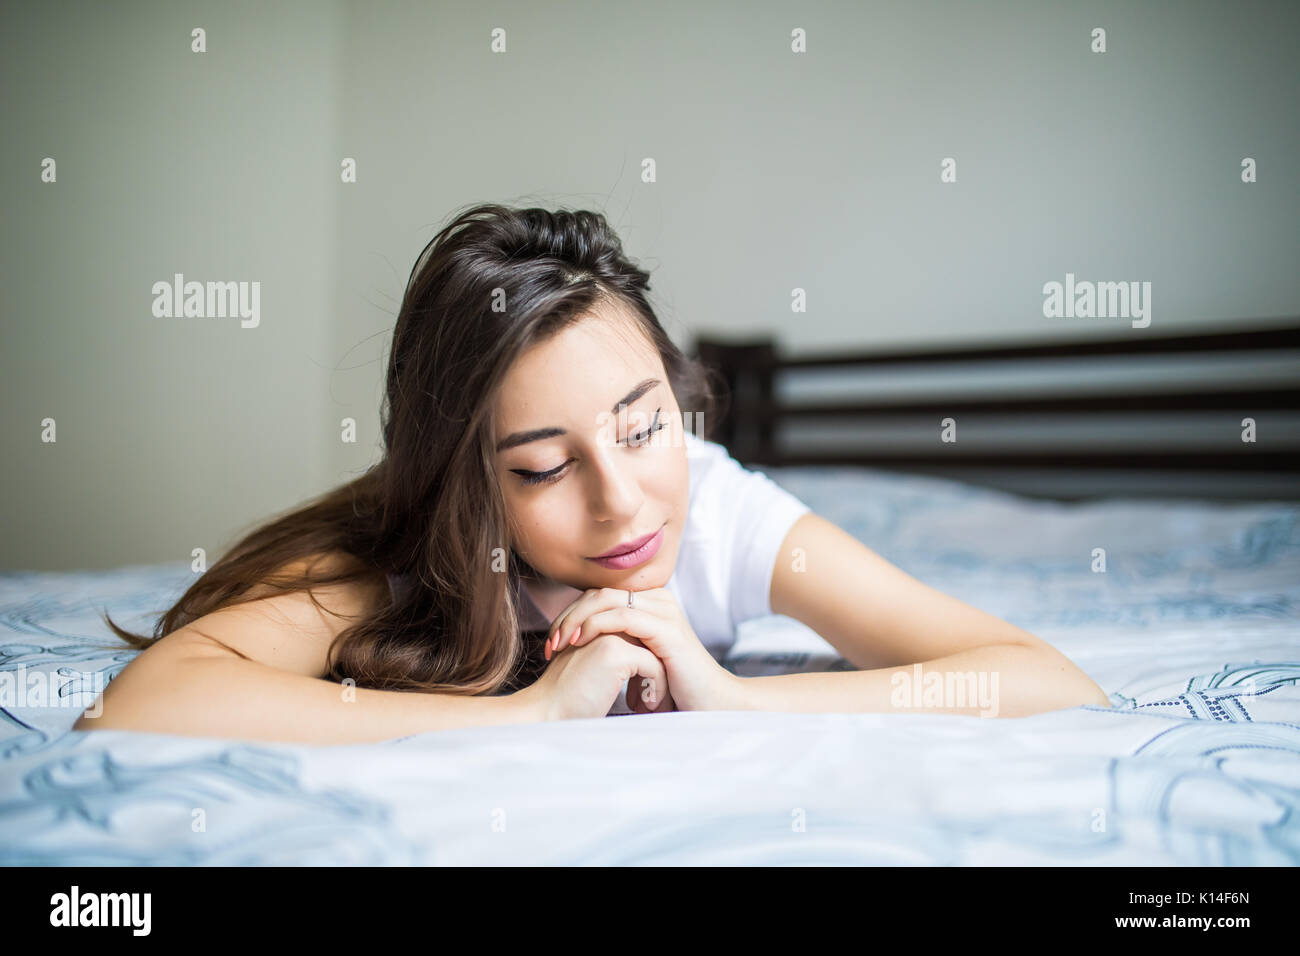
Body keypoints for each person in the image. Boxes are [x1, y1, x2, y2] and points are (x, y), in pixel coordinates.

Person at [79, 203, 1109, 745]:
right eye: (540, 467)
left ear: (680, 399)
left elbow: (1039, 677)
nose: (623, 503)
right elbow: (144, 702)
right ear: (469, 488)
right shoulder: (416, 556)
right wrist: (532, 712)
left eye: (643, 426)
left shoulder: (717, 515)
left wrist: (732, 701)